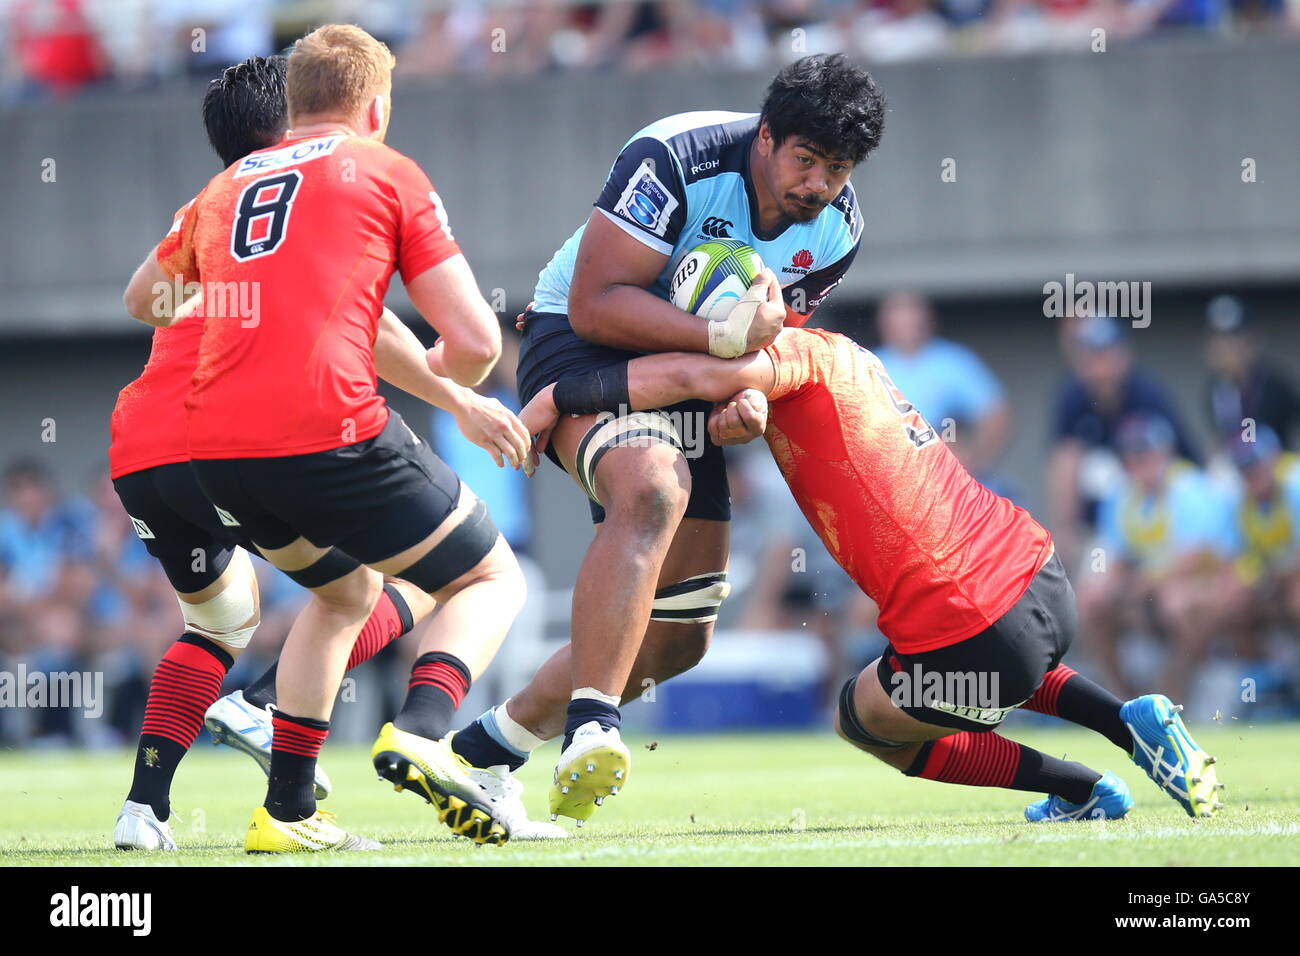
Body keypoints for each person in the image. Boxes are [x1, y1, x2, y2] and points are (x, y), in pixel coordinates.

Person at [518, 326, 1225, 822]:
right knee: (987, 661)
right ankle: (1132, 722)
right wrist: (736, 419)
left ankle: (1081, 787)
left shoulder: (786, 355)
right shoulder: (850, 356)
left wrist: (562, 394)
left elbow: (692, 378)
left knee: (863, 720)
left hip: (972, 619)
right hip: (1036, 575)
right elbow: (736, 399)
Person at [447, 53, 887, 825]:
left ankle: (482, 752)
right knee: (653, 487)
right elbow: (594, 303)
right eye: (806, 160)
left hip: (690, 369)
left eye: (838, 169)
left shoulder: (840, 232)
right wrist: (723, 349)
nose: (818, 185)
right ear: (766, 138)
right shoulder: (675, 156)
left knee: (682, 635)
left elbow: (761, 357)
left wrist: (747, 398)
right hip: (581, 345)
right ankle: (592, 726)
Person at [121, 26, 527, 852]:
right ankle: (421, 729)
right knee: (490, 576)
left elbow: (142, 299)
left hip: (208, 453)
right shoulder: (382, 171)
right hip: (322, 428)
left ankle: (286, 810)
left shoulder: (224, 187)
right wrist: (459, 380)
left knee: (342, 595)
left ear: (294, 104)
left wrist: (234, 310)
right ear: (375, 106)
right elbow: (479, 343)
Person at [1078, 415, 1231, 703]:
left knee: (1175, 603)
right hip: (1149, 586)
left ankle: (1174, 692)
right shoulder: (1122, 494)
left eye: (1148, 455)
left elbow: (1194, 558)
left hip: (1203, 581)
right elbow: (1112, 554)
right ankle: (1122, 699)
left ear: (1166, 454)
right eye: (1134, 457)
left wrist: (1138, 585)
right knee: (1091, 602)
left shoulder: (1190, 488)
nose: (1141, 464)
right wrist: (1105, 587)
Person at [1048, 314, 1200, 569]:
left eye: (1107, 354)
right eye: (1092, 356)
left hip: (1165, 516)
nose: (1101, 366)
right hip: (1109, 529)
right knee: (1093, 468)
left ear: (1124, 355)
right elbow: (1063, 463)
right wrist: (1065, 529)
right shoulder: (1072, 398)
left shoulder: (1147, 394)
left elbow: (1176, 464)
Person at [872, 290, 1009, 477]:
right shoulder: (869, 363)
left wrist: (977, 460)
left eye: (912, 322)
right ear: (884, 325)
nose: (906, 329)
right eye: (899, 324)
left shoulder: (953, 360)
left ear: (927, 321)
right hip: (889, 470)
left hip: (943, 469)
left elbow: (995, 412)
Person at [1204, 294, 1300, 451]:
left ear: (1253, 341)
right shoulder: (1215, 390)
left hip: (1278, 465)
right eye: (1220, 342)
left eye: (1234, 341)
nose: (1226, 351)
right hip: (1240, 467)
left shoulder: (1275, 385)